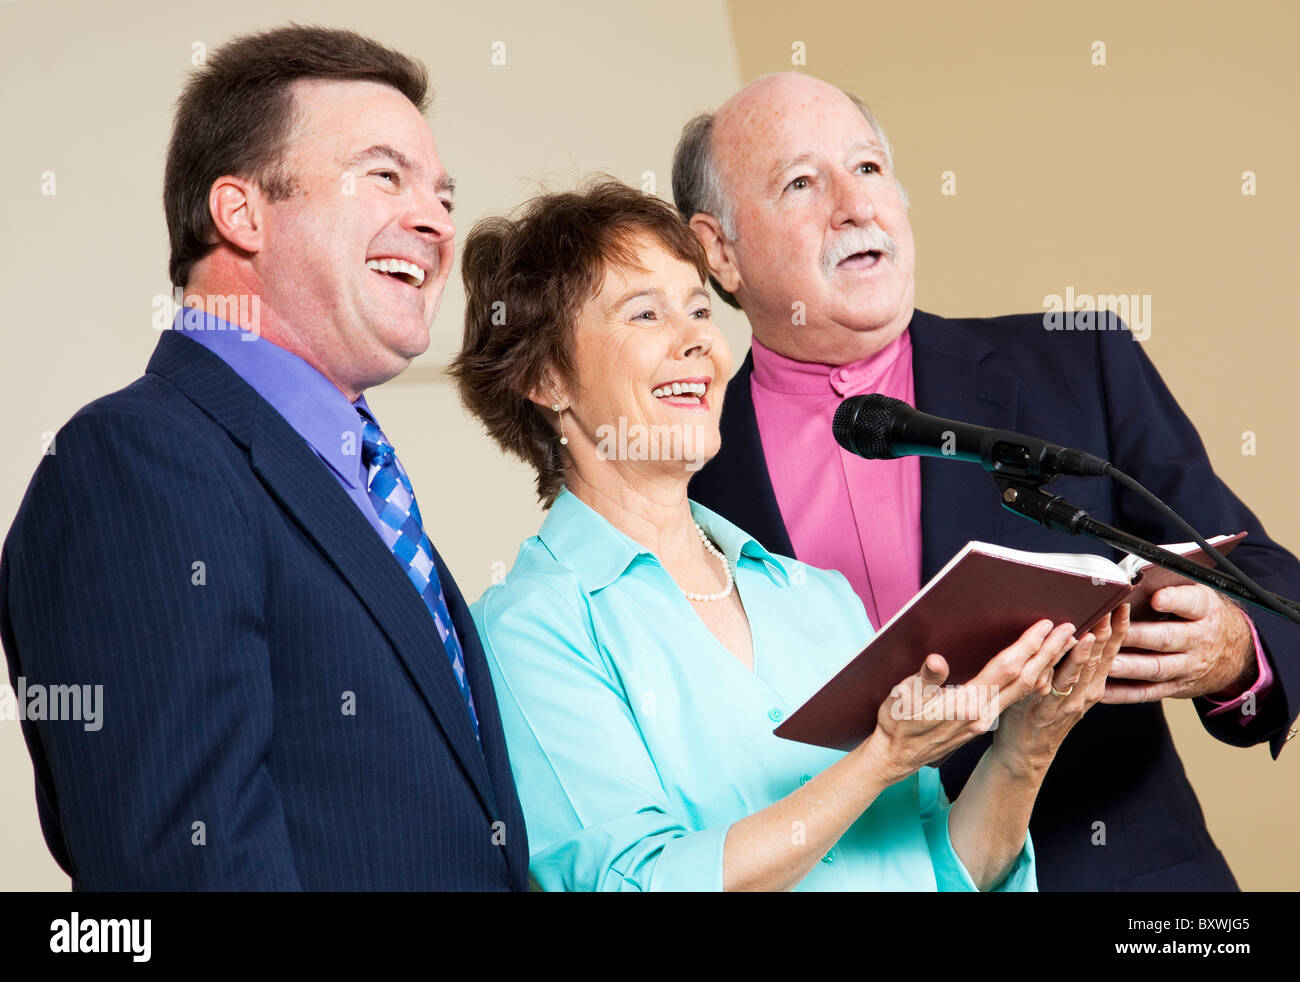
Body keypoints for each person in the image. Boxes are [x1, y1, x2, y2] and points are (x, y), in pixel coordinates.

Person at [673, 72, 1300, 891]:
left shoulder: (1078, 363)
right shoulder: (685, 472)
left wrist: (1228, 647)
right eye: (801, 183)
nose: (854, 207)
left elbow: (1267, 582)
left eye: (867, 169)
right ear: (719, 250)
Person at [452, 177, 1127, 891]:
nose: (699, 343)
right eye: (646, 315)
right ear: (545, 376)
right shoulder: (530, 627)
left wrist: (1026, 746)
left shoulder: (813, 594)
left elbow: (942, 870)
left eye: (700, 310)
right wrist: (881, 760)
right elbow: (637, 883)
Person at [0, 25, 527, 890]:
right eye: (384, 175)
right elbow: (183, 866)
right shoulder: (134, 463)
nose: (436, 219)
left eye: (441, 191)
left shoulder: (358, 476)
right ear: (240, 212)